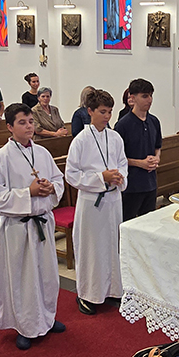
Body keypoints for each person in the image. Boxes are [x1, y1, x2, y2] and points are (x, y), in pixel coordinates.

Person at [0, 103, 67, 349]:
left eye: (31, 121)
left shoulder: (41, 153)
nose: (29, 126)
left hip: (42, 223)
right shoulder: (1, 157)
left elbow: (58, 179)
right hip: (18, 228)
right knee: (23, 278)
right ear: (9, 127)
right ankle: (25, 325)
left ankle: (47, 316)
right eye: (22, 122)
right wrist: (28, 193)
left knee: (46, 275)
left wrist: (51, 187)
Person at [65, 89, 127, 315]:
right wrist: (101, 178)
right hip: (92, 203)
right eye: (102, 112)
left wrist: (120, 177)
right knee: (92, 249)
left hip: (113, 200)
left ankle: (112, 290)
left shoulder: (115, 137)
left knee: (113, 246)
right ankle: (88, 294)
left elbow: (122, 162)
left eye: (110, 112)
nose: (107, 116)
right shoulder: (80, 140)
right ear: (89, 111)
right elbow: (71, 175)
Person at [114, 78, 162, 221]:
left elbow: (158, 147)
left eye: (151, 95)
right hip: (131, 185)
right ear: (133, 98)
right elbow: (117, 158)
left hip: (150, 183)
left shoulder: (154, 121)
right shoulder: (122, 125)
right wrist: (140, 163)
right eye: (145, 96)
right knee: (128, 223)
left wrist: (157, 158)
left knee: (148, 223)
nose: (150, 100)